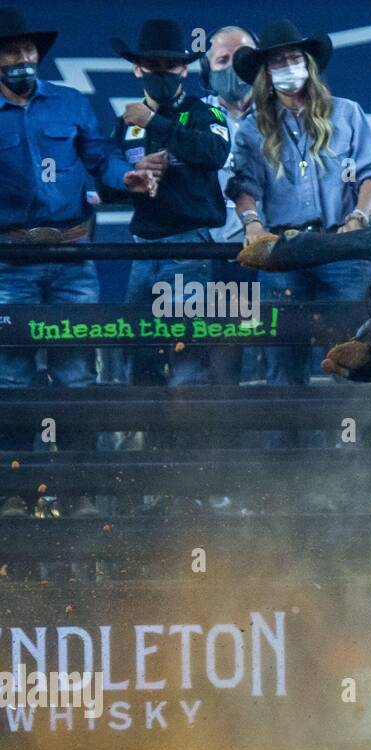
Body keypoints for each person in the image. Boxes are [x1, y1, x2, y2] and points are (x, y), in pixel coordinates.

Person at [0, 6, 153, 512]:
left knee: (75, 374)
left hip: (71, 254)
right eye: (11, 51)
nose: (23, 59)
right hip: (9, 260)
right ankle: (17, 496)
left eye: (28, 51)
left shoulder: (70, 102)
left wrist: (124, 177)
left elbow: (101, 158)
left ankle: (80, 493)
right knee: (12, 379)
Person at [227, 19, 371, 391]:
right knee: (283, 353)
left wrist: (359, 216)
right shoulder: (252, 128)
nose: (287, 67)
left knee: (349, 352)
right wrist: (251, 223)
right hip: (284, 249)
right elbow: (242, 185)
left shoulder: (346, 113)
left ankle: (351, 444)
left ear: (308, 64)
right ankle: (284, 445)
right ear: (266, 73)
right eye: (277, 61)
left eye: (293, 58)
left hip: (342, 247)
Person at [102, 18, 231, 391]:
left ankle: (188, 444)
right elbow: (105, 188)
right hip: (143, 249)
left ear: (184, 69)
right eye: (153, 66)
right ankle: (147, 443)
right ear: (137, 68)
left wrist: (155, 122)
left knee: (186, 352)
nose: (162, 73)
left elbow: (215, 153)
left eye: (170, 65)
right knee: (139, 349)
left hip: (189, 248)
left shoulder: (205, 112)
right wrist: (134, 174)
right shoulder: (124, 123)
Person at [201, 24, 258, 387]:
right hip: (212, 255)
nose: (233, 67)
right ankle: (223, 441)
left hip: (271, 255)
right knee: (222, 363)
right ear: (207, 69)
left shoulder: (283, 116)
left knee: (282, 357)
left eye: (242, 58)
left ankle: (287, 445)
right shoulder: (192, 118)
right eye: (223, 60)